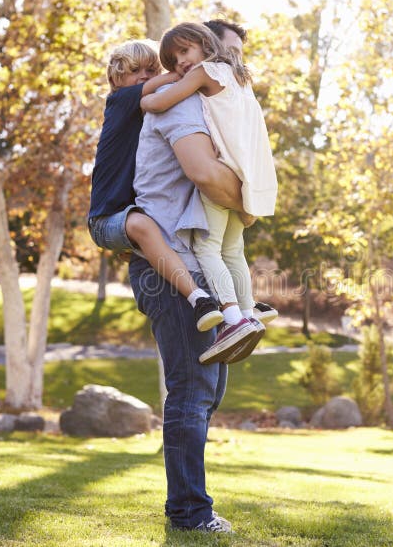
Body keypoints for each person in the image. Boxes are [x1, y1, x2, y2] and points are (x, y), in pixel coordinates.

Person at [140, 22, 279, 365]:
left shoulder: (204, 72)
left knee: (207, 247)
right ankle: (249, 313)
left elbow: (155, 104)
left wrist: (156, 85)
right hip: (241, 174)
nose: (180, 64)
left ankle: (232, 318)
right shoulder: (240, 78)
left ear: (205, 44)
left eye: (184, 52)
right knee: (233, 250)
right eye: (173, 61)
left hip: (220, 172)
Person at [87, 39, 227, 336]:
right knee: (143, 226)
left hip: (127, 212)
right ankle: (198, 298)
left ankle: (236, 301)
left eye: (151, 69)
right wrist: (184, 75)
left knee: (149, 226)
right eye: (135, 70)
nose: (145, 77)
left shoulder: (145, 116)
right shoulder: (119, 101)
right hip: (104, 219)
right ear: (116, 78)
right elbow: (162, 86)